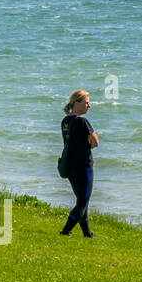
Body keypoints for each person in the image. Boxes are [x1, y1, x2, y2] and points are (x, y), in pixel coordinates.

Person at [60, 89, 99, 237]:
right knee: (83, 201)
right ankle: (66, 230)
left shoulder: (65, 121)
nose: (89, 106)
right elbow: (96, 142)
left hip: (69, 166)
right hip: (83, 165)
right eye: (87, 103)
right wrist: (87, 146)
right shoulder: (82, 121)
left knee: (81, 200)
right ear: (77, 103)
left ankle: (87, 233)